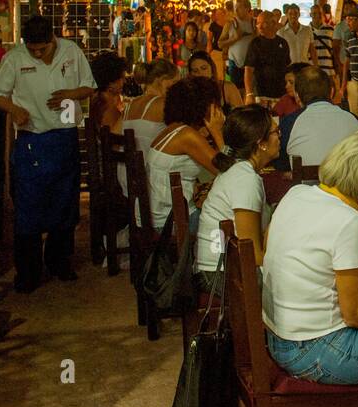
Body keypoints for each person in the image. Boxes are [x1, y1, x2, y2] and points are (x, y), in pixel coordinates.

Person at [262, 129, 358, 407]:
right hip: (320, 351)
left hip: (278, 339)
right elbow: (355, 313)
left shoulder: (296, 194)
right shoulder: (350, 221)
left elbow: (270, 245)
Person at [0, 15, 97, 292]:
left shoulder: (72, 51)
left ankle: (60, 262)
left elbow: (89, 87)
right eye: (32, 50)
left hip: (65, 136)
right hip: (31, 139)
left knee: (65, 201)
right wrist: (14, 110)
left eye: (42, 49)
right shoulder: (14, 58)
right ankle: (28, 272)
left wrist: (70, 93)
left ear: (53, 38)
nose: (37, 54)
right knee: (29, 205)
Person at [195, 104, 278, 291]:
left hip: (223, 266)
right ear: (261, 143)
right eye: (275, 132)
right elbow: (253, 255)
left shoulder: (238, 168)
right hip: (221, 274)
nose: (279, 137)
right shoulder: (245, 179)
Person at [145, 76, 224, 232]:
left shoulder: (172, 130)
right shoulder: (187, 135)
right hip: (171, 225)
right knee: (227, 215)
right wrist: (217, 131)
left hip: (158, 218)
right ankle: (219, 255)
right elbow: (228, 170)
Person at [117, 59, 180, 192]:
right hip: (148, 183)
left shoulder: (130, 105)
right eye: (175, 83)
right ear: (162, 80)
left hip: (126, 179)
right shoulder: (164, 104)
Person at [284, 65, 358, 173]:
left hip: (307, 189)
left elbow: (283, 164)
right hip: (347, 186)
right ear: (332, 92)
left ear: (297, 96)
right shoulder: (352, 119)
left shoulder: (288, 123)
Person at [243, 10, 291, 108]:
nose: (259, 26)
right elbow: (248, 70)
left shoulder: (283, 43)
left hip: (281, 93)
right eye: (257, 23)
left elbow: (288, 67)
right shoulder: (255, 44)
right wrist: (249, 94)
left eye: (263, 23)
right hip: (261, 93)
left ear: (273, 23)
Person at [219, 0, 256, 88]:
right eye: (236, 7)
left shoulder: (254, 23)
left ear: (247, 9)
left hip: (251, 64)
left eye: (239, 7)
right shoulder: (230, 24)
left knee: (249, 90)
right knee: (235, 90)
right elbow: (220, 44)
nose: (236, 10)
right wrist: (235, 38)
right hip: (234, 63)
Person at [88, 52, 129, 133]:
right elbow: (116, 138)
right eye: (122, 78)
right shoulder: (109, 108)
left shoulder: (97, 98)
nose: (124, 81)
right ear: (110, 83)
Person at [278, 2, 317, 67]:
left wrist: (316, 66)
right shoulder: (281, 32)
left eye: (295, 13)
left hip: (305, 67)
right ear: (286, 15)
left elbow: (312, 50)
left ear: (299, 14)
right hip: (289, 68)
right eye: (290, 14)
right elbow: (279, 53)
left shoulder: (307, 30)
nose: (293, 16)